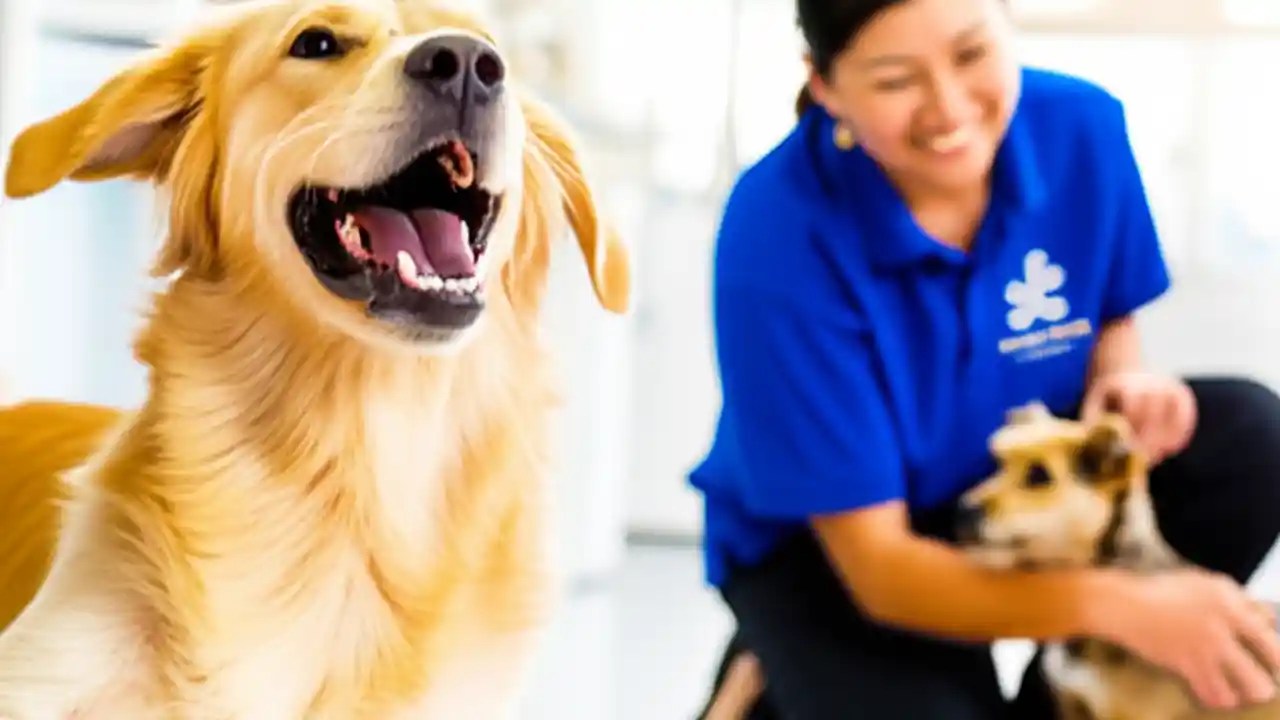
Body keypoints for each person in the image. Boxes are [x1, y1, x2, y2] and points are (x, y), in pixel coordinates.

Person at [687, 0, 1280, 717]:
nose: (949, 108)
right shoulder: (777, 230)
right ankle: (779, 674)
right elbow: (882, 569)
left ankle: (1065, 690)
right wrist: (1128, 606)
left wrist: (1122, 376)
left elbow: (1107, 312)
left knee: (1249, 435)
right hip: (841, 552)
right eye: (897, 79)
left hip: (1018, 486)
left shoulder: (1081, 127)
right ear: (825, 86)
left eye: (971, 55)